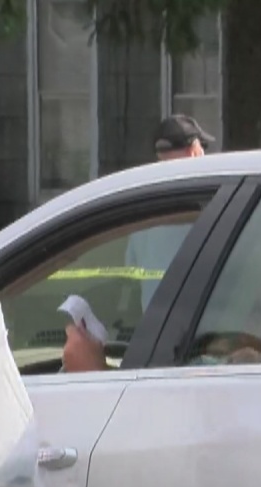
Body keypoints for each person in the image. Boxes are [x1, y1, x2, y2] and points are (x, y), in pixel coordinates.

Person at [62, 114, 215, 373]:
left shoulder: (144, 209)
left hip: (158, 341)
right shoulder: (209, 207)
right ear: (195, 151)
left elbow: (131, 271)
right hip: (204, 344)